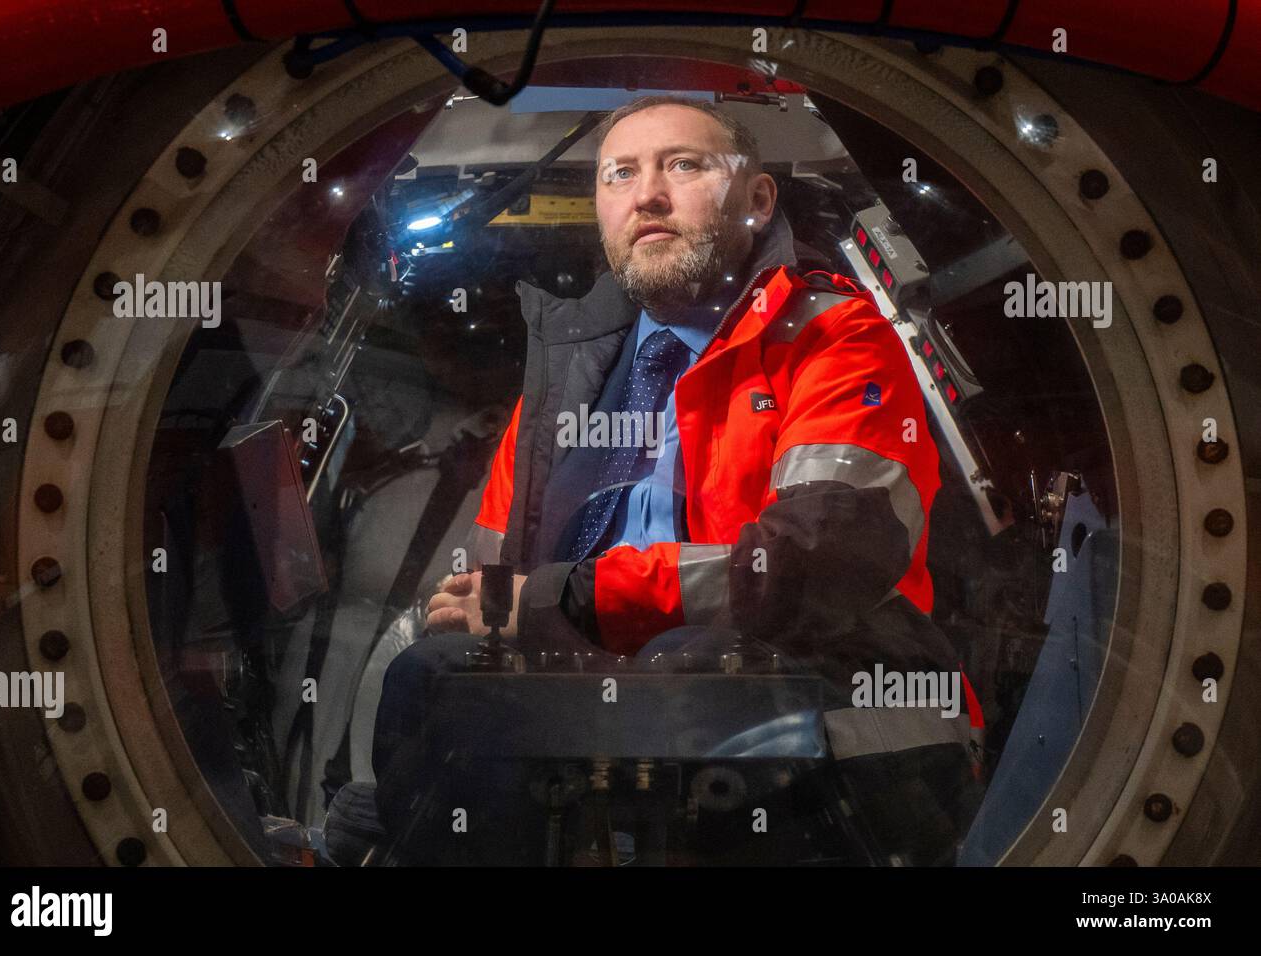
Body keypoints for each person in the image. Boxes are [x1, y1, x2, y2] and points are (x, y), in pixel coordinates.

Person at [373, 95, 983, 864]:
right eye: (619, 174)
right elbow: (493, 587)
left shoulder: (833, 337)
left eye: (684, 166)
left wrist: (578, 599)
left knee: (694, 662)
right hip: (593, 716)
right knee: (429, 673)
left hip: (817, 737)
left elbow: (819, 559)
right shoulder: (561, 380)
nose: (647, 195)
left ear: (760, 200)